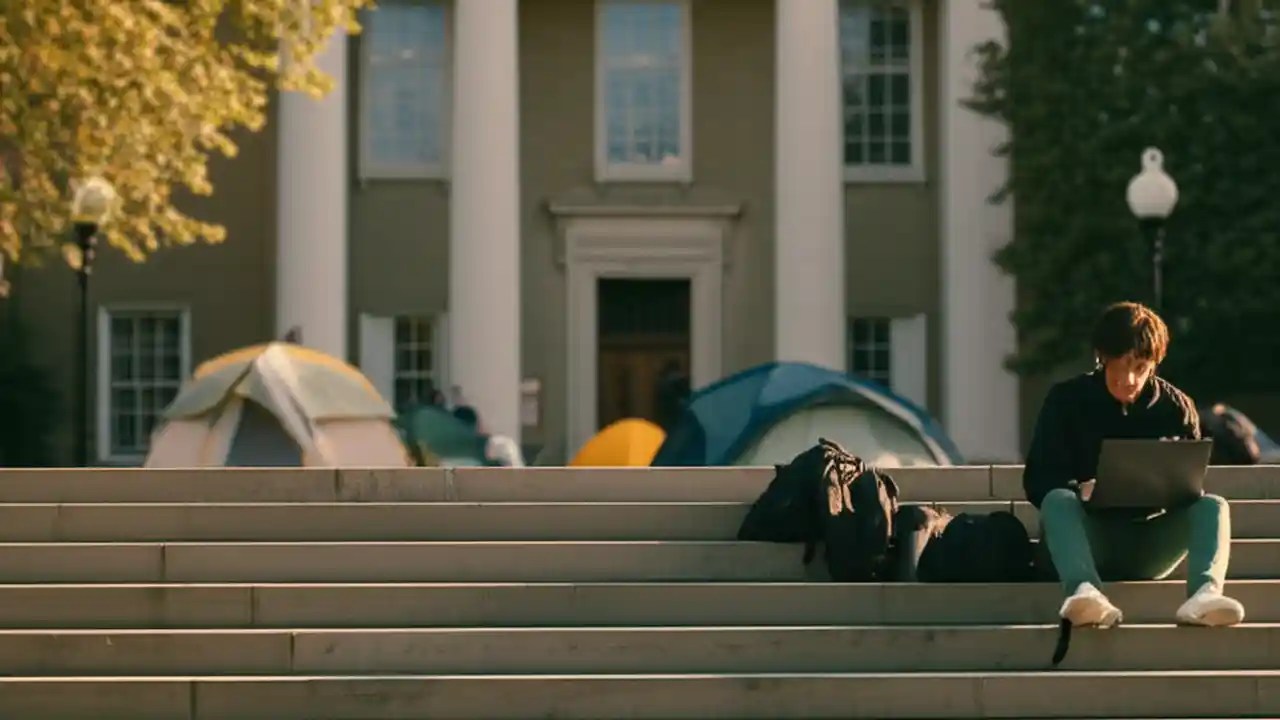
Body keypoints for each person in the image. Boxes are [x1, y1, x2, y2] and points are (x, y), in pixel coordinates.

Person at [1023, 301, 1244, 630]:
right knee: (1058, 500)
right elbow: (1037, 479)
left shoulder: (1177, 408)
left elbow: (1191, 490)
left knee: (1213, 506)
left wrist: (1172, 480)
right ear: (1102, 357)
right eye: (1121, 366)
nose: (1130, 379)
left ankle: (1204, 596)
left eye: (1140, 367)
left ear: (1154, 363)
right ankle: (1085, 593)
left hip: (1148, 544)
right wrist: (1080, 488)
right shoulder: (1066, 401)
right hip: (1088, 537)